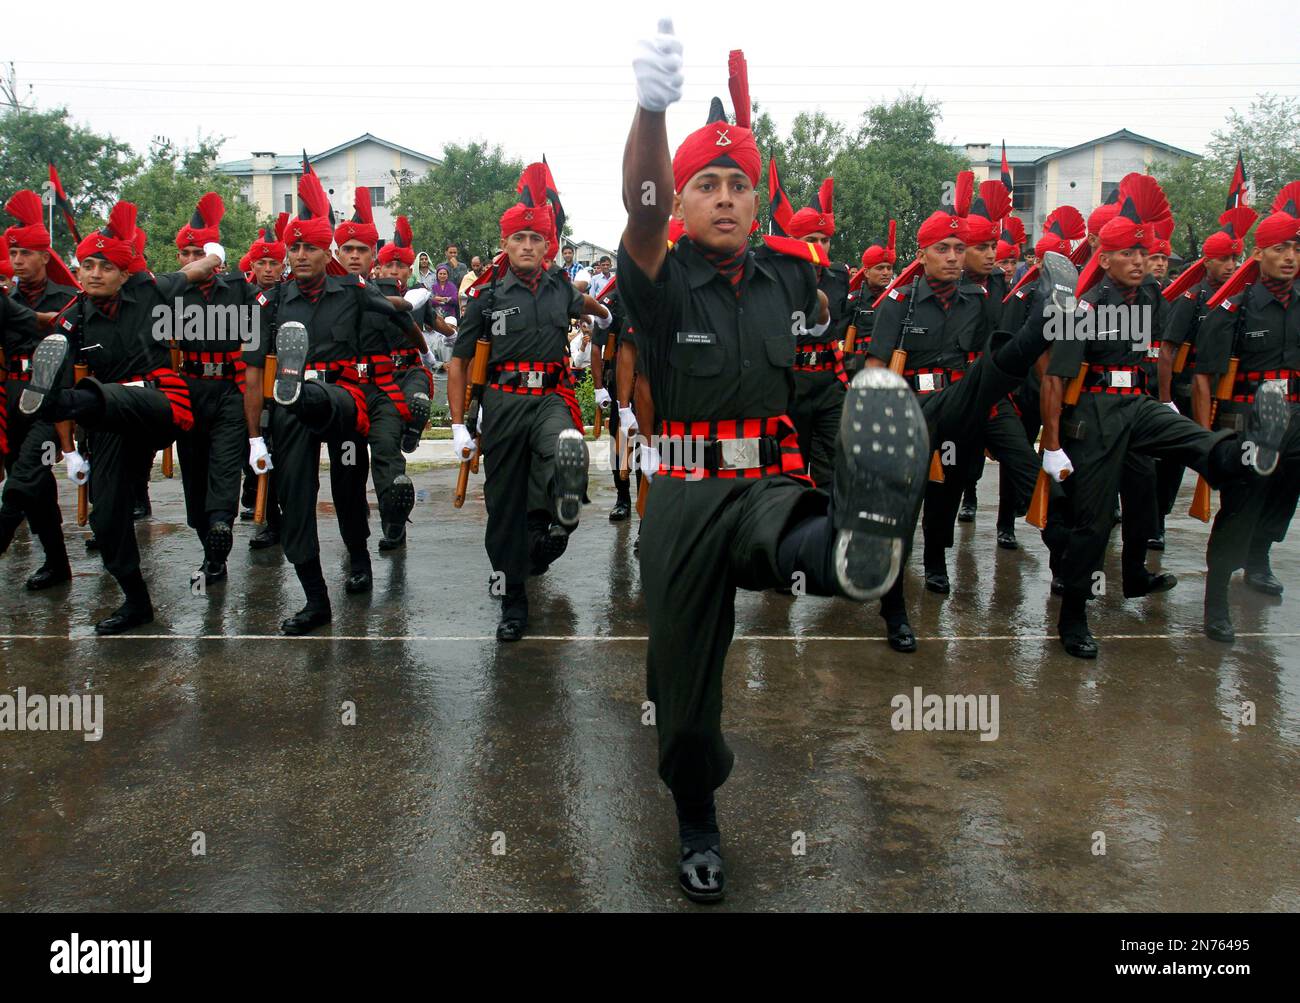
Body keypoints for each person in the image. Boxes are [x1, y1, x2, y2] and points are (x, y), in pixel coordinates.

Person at [620, 29, 935, 903]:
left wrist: (847, 449)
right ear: (683, 200)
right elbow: (639, 208)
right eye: (706, 185)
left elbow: (811, 388)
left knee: (800, 536)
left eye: (738, 185)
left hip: (767, 476)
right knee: (681, 696)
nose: (724, 198)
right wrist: (652, 110)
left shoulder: (791, 282)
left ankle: (849, 546)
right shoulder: (659, 274)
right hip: (684, 486)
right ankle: (696, 818)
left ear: (757, 200)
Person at [1039, 176, 1288, 658]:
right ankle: (1072, 618)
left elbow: (1155, 353)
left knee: (1191, 440)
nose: (1138, 261)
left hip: (1139, 404)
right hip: (1095, 414)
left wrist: (1163, 399)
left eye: (1142, 253)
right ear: (1105, 259)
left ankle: (1244, 452)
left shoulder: (1152, 295)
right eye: (1126, 255)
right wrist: (1052, 446)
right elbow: (1054, 378)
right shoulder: (1081, 308)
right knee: (1091, 525)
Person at [19, 201, 225, 634]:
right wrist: (70, 446)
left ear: (124, 273)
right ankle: (136, 603)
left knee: (102, 397)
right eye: (87, 265)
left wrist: (215, 253)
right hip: (107, 415)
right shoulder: (73, 317)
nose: (94, 273)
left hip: (159, 401)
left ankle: (63, 403)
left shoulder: (150, 290)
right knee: (107, 517)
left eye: (105, 266)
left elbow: (199, 269)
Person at [240, 164, 417, 635]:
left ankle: (358, 558)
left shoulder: (352, 292)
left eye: (310, 247)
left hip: (344, 404)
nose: (299, 255)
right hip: (290, 409)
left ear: (327, 251)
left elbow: (394, 315)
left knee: (346, 486)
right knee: (295, 495)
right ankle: (315, 599)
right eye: (293, 247)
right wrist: (255, 436)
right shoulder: (272, 302)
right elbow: (254, 369)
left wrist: (415, 308)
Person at [448, 162, 612, 642]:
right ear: (505, 244)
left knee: (565, 445)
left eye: (535, 239)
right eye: (518, 238)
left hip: (549, 398)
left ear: (547, 246)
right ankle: (513, 597)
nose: (526, 245)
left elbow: (591, 306)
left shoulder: (561, 287)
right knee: (503, 505)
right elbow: (459, 363)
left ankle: (558, 521)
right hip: (501, 403)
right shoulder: (486, 296)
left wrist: (604, 318)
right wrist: (460, 425)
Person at [1193, 182, 1299, 642]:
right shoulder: (1232, 307)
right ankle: (1216, 599)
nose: (1291, 256)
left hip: (1295, 418)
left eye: (1296, 247)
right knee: (1242, 504)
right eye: (1280, 248)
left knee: (1284, 495)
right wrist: (1203, 440)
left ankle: (1259, 560)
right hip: (1247, 417)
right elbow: (1203, 377)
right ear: (1259, 254)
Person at [334, 188, 433, 553]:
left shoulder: (393, 294)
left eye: (362, 249)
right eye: (349, 249)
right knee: (347, 464)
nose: (355, 256)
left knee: (386, 452)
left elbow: (419, 331)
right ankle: (354, 536)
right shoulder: (328, 294)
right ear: (338, 253)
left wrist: (415, 310)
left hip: (385, 386)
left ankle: (394, 519)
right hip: (343, 391)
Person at [0, 190, 81, 590]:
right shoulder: (7, 301)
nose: (18, 262)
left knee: (24, 478)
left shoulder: (67, 300)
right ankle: (56, 563)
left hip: (51, 400)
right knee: (34, 485)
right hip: (12, 397)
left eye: (26, 254)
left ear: (45, 257)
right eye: (13, 255)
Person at [239, 218, 289, 550]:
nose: (268, 269)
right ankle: (267, 515)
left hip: (286, 381)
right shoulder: (241, 295)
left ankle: (281, 517)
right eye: (262, 262)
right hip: (252, 380)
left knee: (284, 456)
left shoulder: (289, 293)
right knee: (256, 451)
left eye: (274, 263)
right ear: (252, 264)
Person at [842, 223, 896, 378]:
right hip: (858, 366)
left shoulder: (895, 300)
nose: (886, 273)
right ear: (866, 272)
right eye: (880, 268)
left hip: (888, 365)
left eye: (889, 268)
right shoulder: (853, 299)